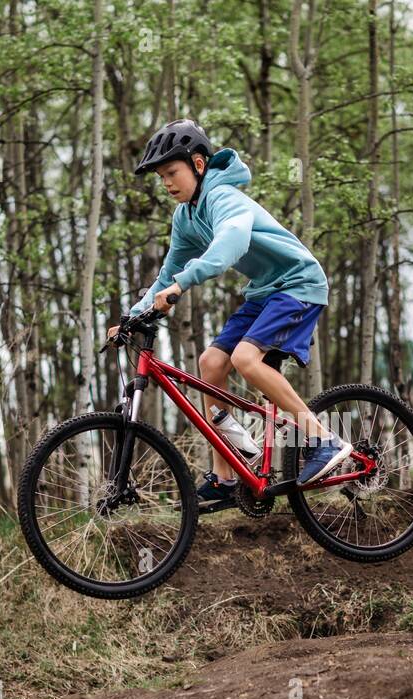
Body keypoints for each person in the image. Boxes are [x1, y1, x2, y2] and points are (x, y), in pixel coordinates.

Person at [112, 119, 350, 506]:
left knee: (244, 358)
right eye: (161, 177)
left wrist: (184, 283)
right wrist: (131, 316)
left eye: (172, 173)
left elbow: (232, 241)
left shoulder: (224, 197)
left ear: (199, 164)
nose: (167, 183)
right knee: (211, 363)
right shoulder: (186, 217)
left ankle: (323, 439)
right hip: (265, 292)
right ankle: (225, 479)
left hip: (299, 285)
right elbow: (166, 275)